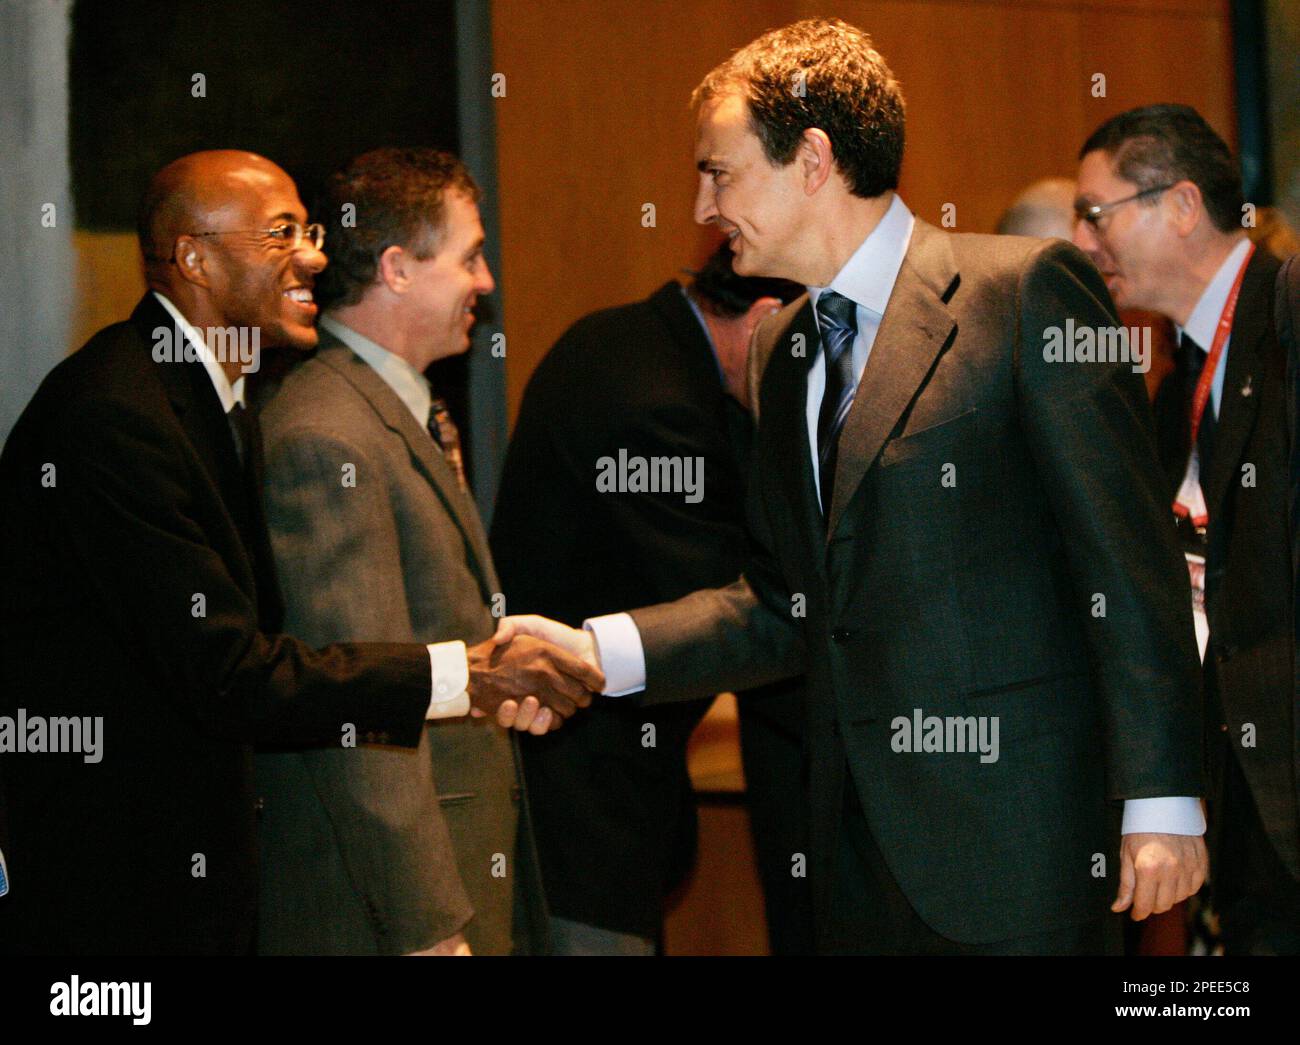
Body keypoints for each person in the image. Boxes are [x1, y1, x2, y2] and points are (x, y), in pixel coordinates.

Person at [501, 18, 1206, 955]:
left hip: (1018, 862)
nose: (704, 206)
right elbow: (786, 602)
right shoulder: (787, 349)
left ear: (814, 160)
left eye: (720, 171)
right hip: (849, 866)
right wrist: (598, 651)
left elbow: (1126, 557)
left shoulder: (1026, 290)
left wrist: (1162, 796)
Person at [0, 150, 599, 956]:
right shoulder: (116, 412)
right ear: (195, 259)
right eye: (281, 233)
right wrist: (464, 674)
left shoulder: (221, 397)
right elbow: (228, 673)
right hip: (117, 903)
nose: (315, 255)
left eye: (308, 230)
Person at [254, 147, 550, 956]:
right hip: (394, 916)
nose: (484, 282)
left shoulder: (393, 409)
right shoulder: (325, 434)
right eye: (469, 256)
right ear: (396, 268)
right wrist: (427, 927)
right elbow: (354, 707)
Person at [490, 243, 810, 953]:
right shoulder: (658, 403)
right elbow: (741, 615)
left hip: (594, 787)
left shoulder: (626, 341)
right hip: (585, 802)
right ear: (766, 319)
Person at [1073, 105, 1300, 954]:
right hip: (1243, 811)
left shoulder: (1287, 319)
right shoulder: (1179, 377)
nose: (1085, 241)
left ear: (1180, 205)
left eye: (1096, 213)